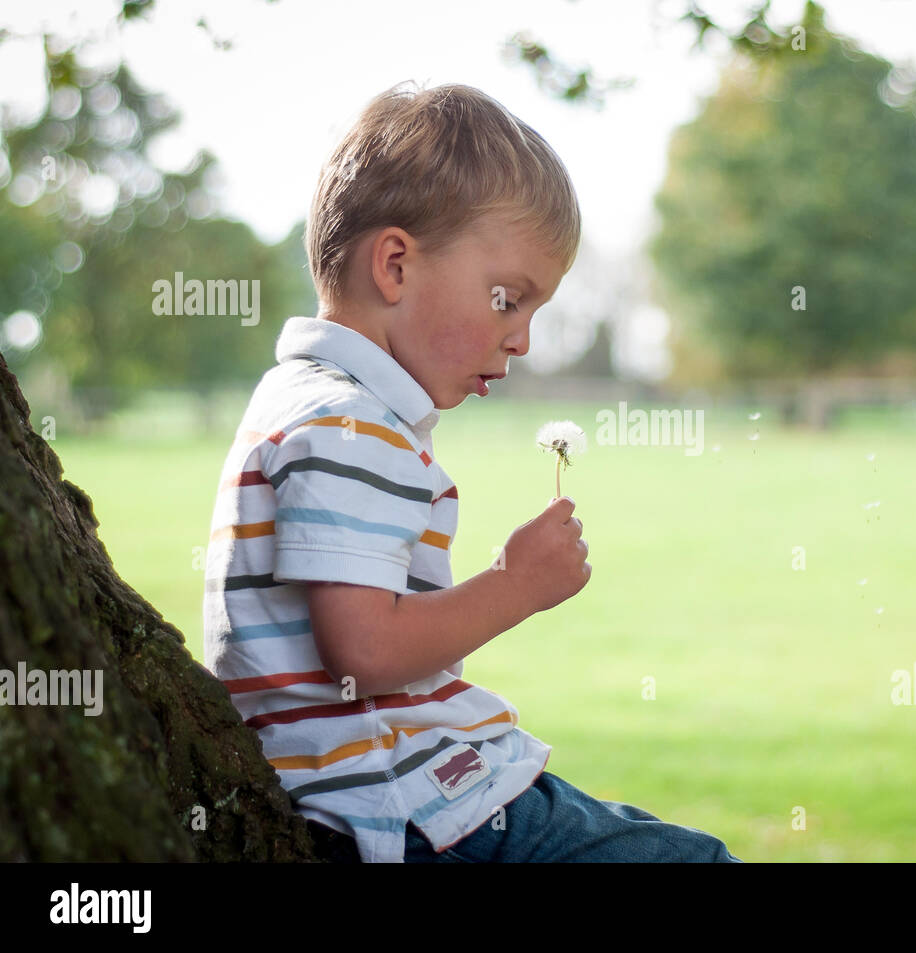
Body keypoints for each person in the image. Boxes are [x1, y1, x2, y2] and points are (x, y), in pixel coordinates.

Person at [202, 82, 742, 863]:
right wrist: (515, 583)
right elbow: (365, 650)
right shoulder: (353, 426)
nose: (521, 340)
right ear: (395, 264)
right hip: (415, 804)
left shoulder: (300, 399)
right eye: (507, 299)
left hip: (386, 792)